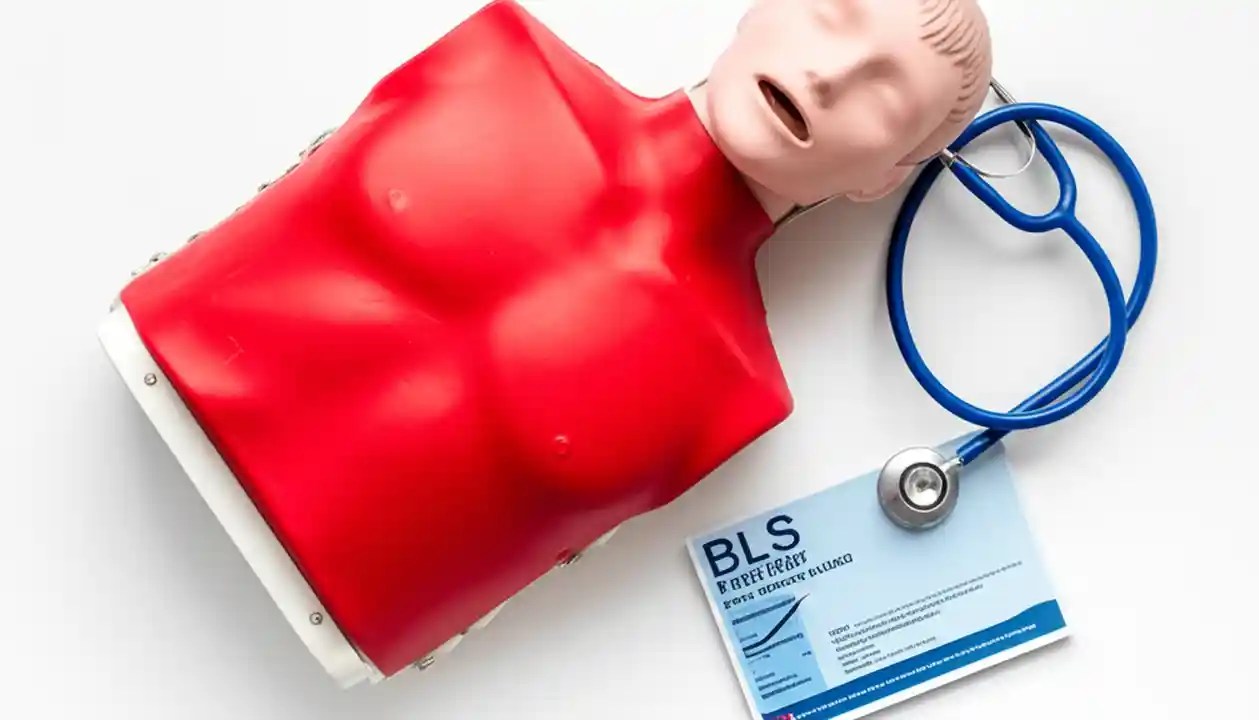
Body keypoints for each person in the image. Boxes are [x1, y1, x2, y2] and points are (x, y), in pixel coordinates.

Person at [104, 0, 993, 682]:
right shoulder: (501, 54)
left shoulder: (740, 393)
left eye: (887, 97)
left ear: (886, 179)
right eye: (830, 13)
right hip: (146, 375)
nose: (832, 73)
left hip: (307, 635)